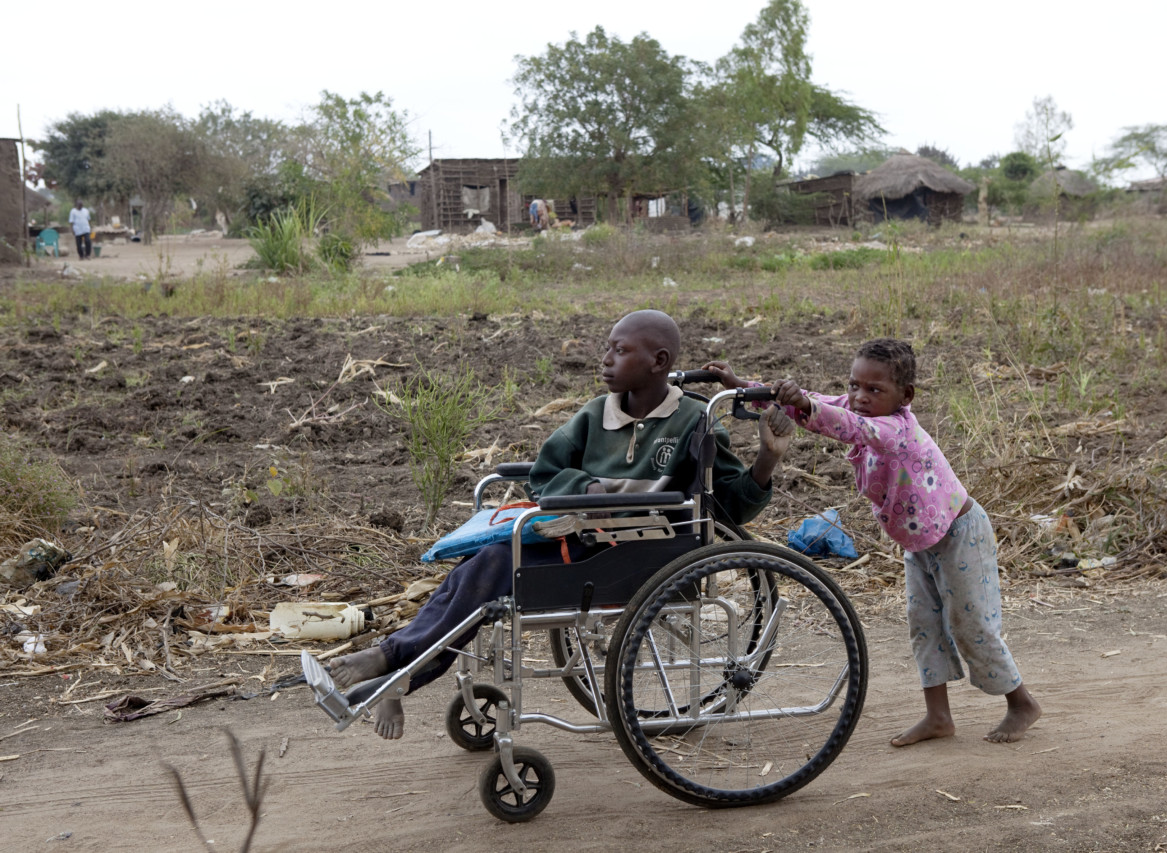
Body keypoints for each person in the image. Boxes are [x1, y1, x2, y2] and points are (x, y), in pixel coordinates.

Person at [330, 309, 795, 739]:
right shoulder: (595, 415)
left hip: (642, 557)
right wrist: (585, 486)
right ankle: (396, 668)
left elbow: (726, 507)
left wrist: (767, 460)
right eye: (607, 347)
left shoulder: (694, 420)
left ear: (659, 361)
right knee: (473, 572)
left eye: (620, 350)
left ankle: (394, 665)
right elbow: (543, 475)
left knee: (492, 569)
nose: (606, 359)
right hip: (580, 542)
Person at [704, 339, 1041, 746]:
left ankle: (1021, 702)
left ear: (906, 396)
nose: (860, 398)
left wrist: (809, 407)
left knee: (971, 627)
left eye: (874, 390)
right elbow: (815, 403)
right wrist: (745, 386)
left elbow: (845, 424)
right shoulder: (859, 407)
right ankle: (938, 717)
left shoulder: (895, 428)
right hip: (920, 543)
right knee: (924, 626)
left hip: (959, 534)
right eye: (854, 386)